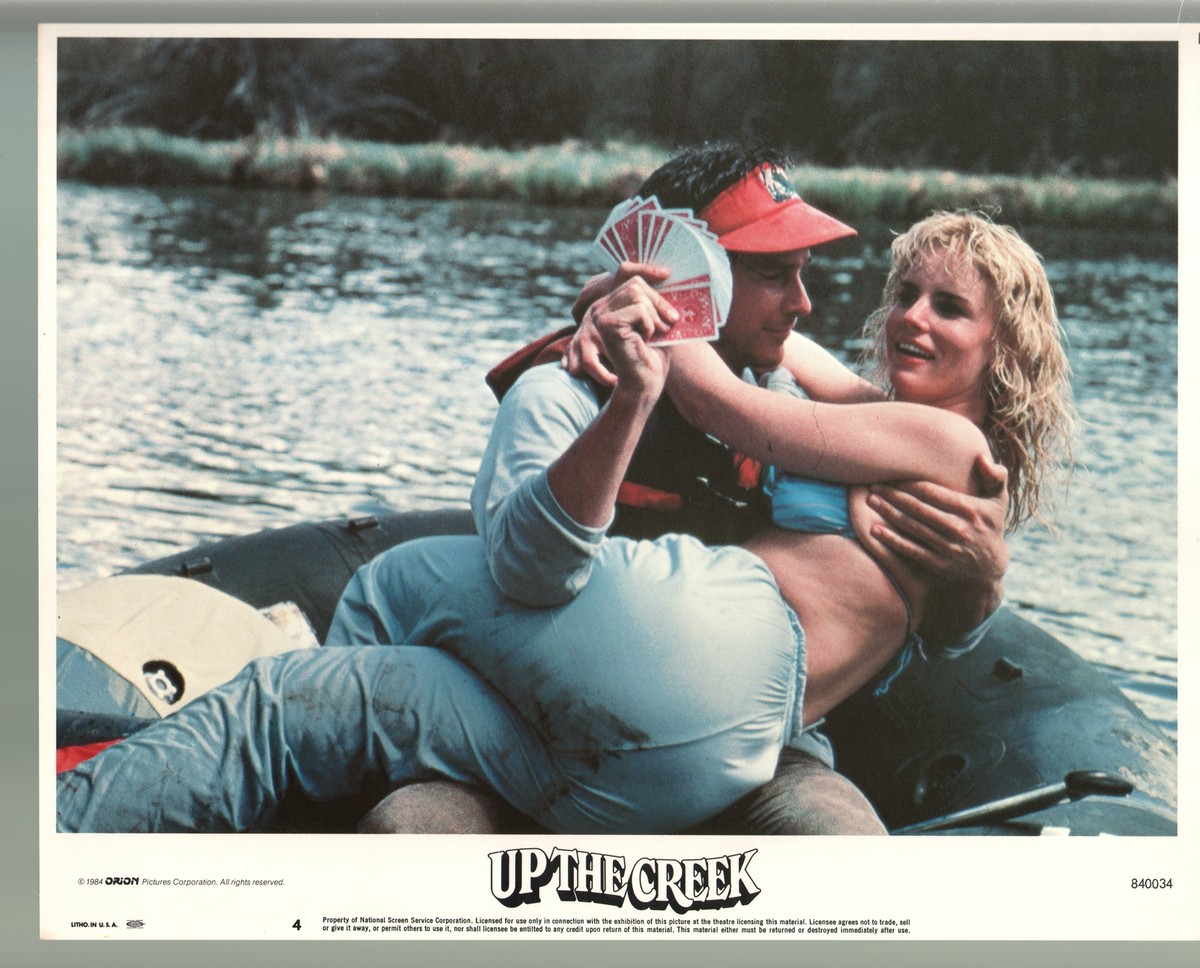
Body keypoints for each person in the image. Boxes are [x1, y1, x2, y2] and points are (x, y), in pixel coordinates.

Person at [56, 210, 1073, 835]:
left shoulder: (947, 447)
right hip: (665, 761)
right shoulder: (878, 420)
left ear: (1004, 348)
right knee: (301, 698)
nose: (912, 317)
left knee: (390, 584)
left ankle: (158, 817)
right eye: (906, 294)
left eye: (950, 307)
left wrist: (660, 322)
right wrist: (629, 297)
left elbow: (738, 408)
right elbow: (777, 354)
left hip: (727, 654)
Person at [355, 144, 1011, 835]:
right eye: (772, 274)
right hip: (527, 718)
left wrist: (981, 582)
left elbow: (913, 607)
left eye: (801, 273)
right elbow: (523, 571)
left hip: (754, 745)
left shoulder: (789, 399)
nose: (803, 303)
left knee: (839, 840)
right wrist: (621, 304)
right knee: (410, 831)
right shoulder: (561, 394)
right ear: (692, 273)